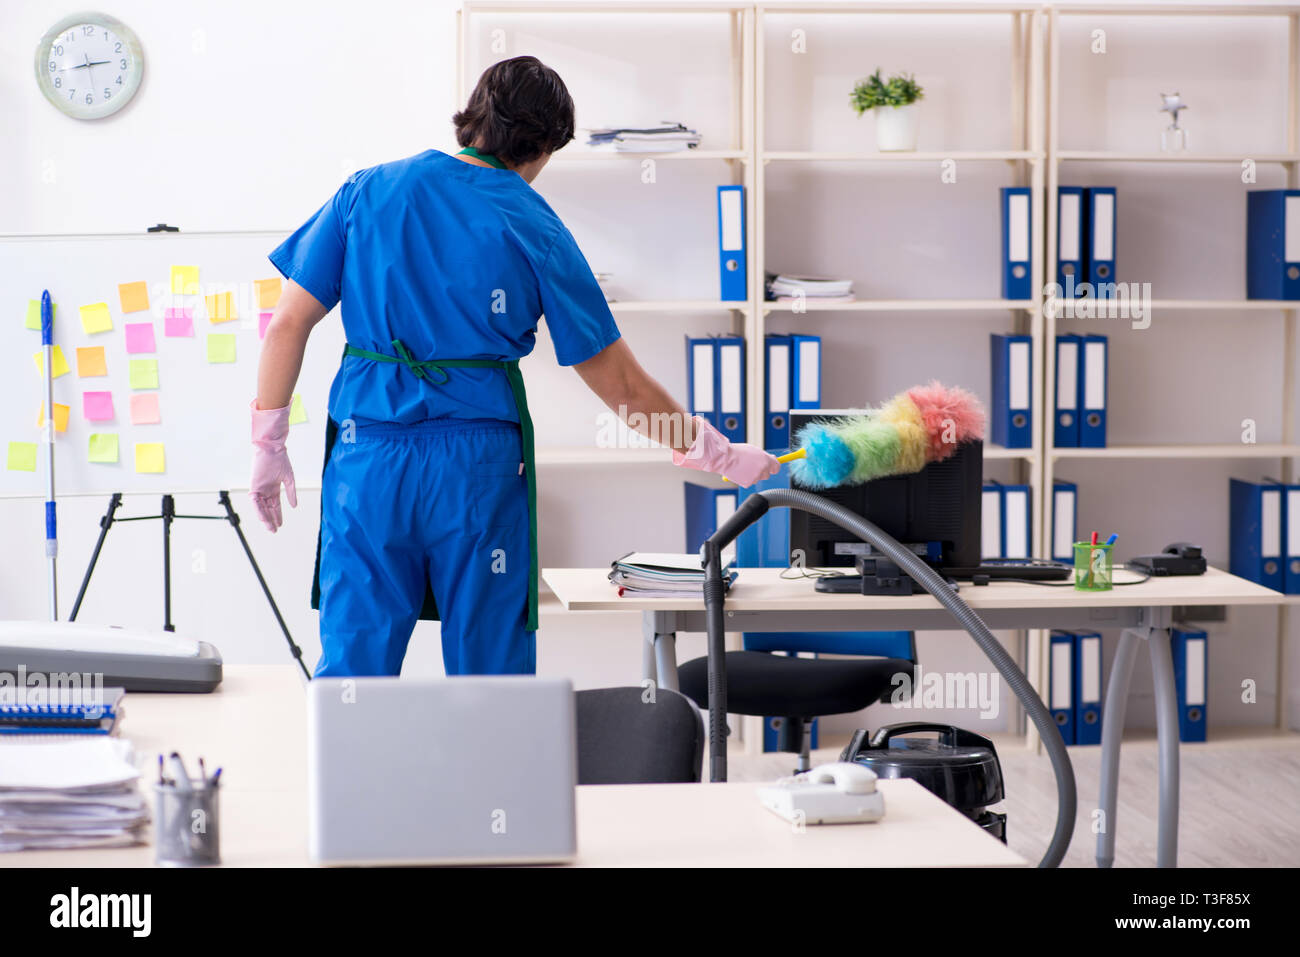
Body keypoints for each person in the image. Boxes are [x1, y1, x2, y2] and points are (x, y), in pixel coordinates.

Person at [250, 55, 779, 678]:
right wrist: (710, 450)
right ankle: (492, 776)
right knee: (490, 675)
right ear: (543, 146)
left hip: (368, 457)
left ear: (473, 119)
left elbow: (287, 322)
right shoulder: (535, 224)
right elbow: (622, 384)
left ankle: (352, 777)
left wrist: (269, 443)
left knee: (354, 671)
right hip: (477, 468)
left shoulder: (367, 191)